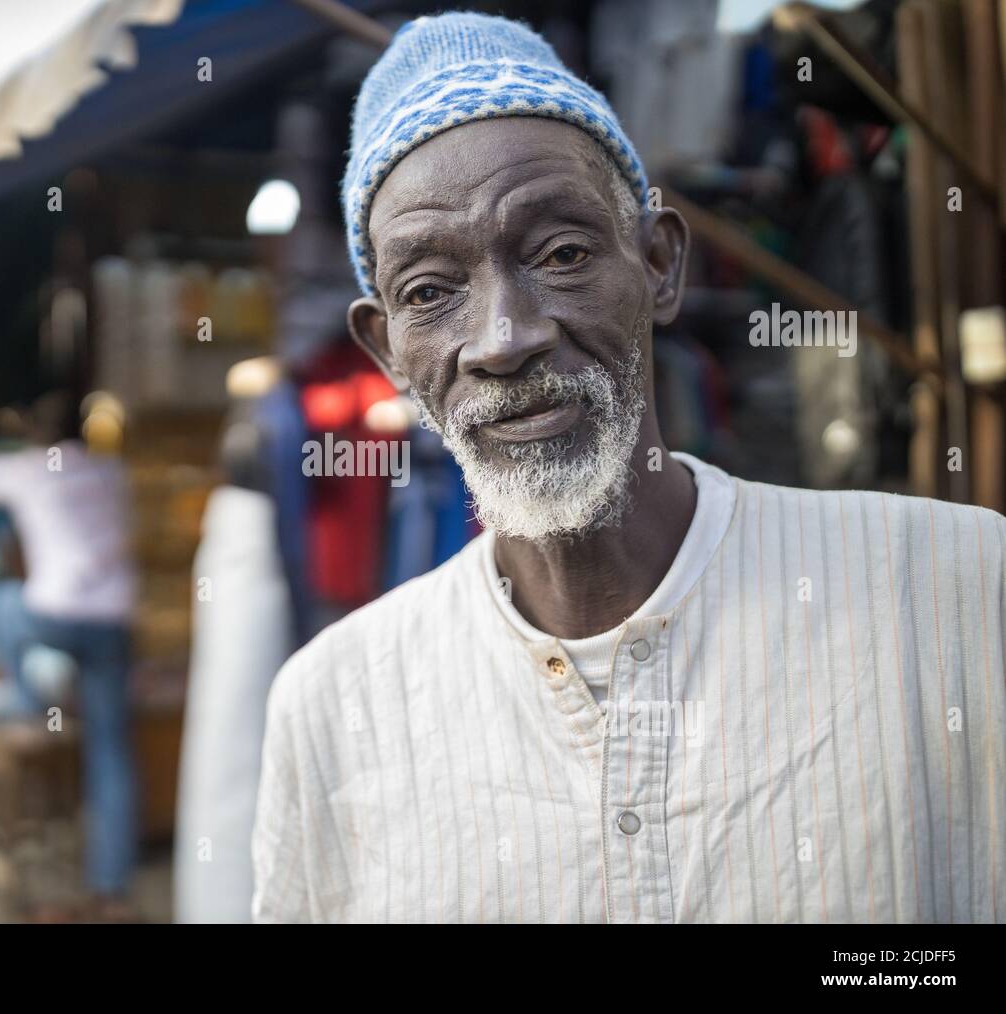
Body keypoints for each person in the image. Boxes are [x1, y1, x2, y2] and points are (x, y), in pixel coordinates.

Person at [251, 12, 1006, 923]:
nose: (504, 338)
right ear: (387, 350)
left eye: (561, 254)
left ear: (658, 264)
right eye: (430, 292)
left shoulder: (957, 595)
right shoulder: (332, 708)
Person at [0, 379, 140, 918]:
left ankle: (27, 705)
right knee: (112, 753)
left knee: (2, 600)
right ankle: (111, 886)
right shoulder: (110, 471)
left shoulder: (32, 470)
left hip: (56, 617)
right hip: (113, 622)